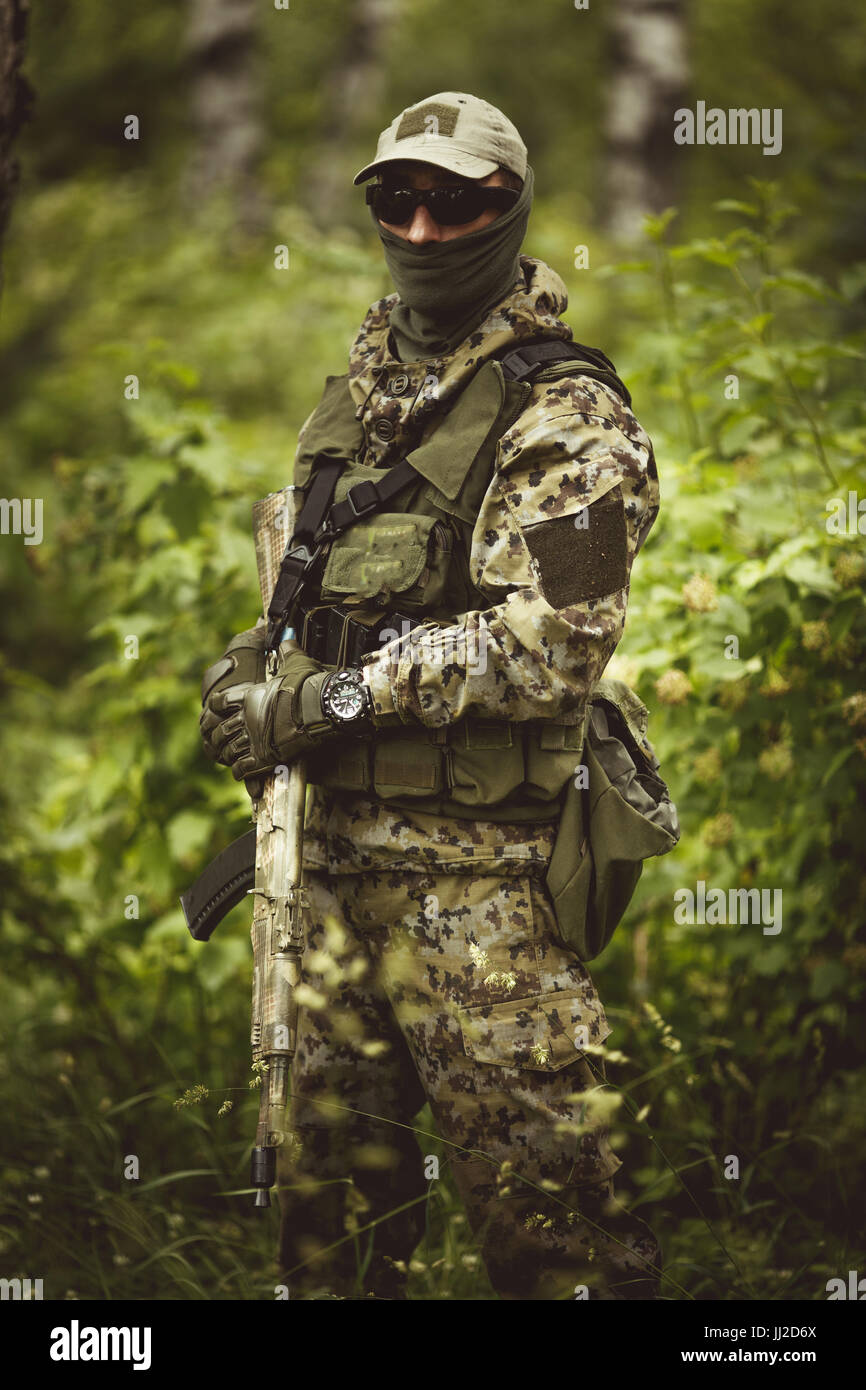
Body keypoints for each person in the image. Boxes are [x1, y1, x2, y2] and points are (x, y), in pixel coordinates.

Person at [199, 92, 662, 1300]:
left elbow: (552, 641)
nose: (420, 225)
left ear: (507, 211)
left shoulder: (567, 410)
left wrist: (332, 701)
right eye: (395, 200)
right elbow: (304, 596)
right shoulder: (352, 401)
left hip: (483, 897)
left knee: (561, 1243)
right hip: (321, 877)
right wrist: (255, 674)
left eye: (455, 202)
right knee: (330, 1242)